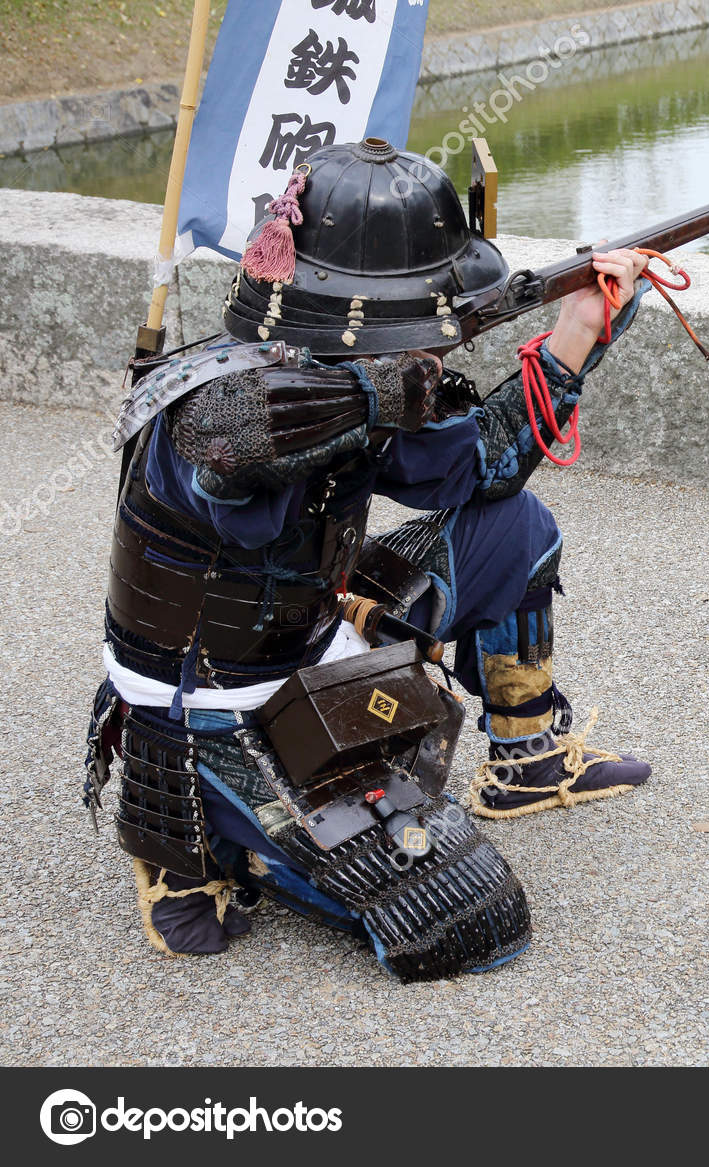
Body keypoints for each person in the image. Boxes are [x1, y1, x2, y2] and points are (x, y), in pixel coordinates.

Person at [85, 138, 649, 977]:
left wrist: (577, 334)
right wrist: (379, 389)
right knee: (464, 916)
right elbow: (226, 435)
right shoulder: (208, 393)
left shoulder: (355, 379)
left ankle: (526, 758)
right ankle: (190, 830)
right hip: (212, 707)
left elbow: (482, 462)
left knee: (513, 526)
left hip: (314, 635)